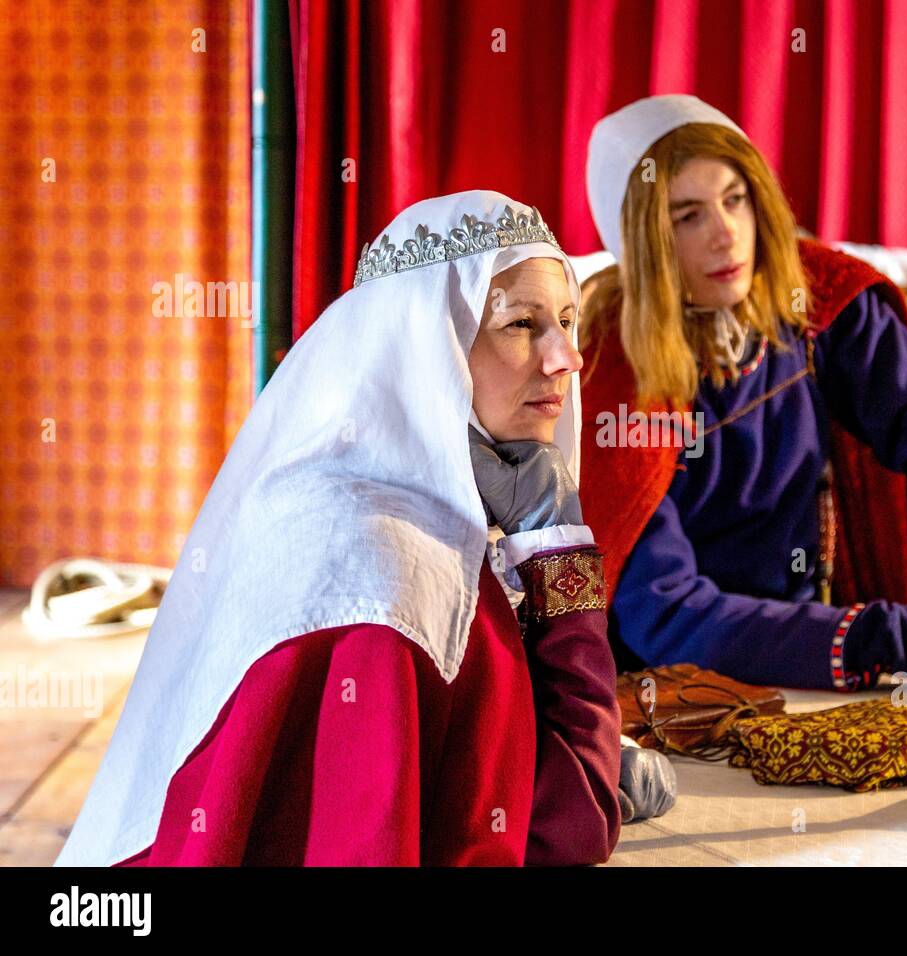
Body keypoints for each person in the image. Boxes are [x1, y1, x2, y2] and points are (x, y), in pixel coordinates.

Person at [55, 190, 667, 867]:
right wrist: (557, 550)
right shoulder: (385, 567)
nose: (565, 358)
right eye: (522, 324)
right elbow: (573, 825)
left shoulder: (387, 516)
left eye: (566, 321)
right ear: (427, 348)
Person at [578, 95, 907, 692]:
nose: (726, 235)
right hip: (682, 689)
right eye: (687, 216)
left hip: (821, 655)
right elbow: (666, 614)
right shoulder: (613, 373)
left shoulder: (814, 304)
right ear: (644, 241)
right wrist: (885, 640)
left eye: (735, 200)